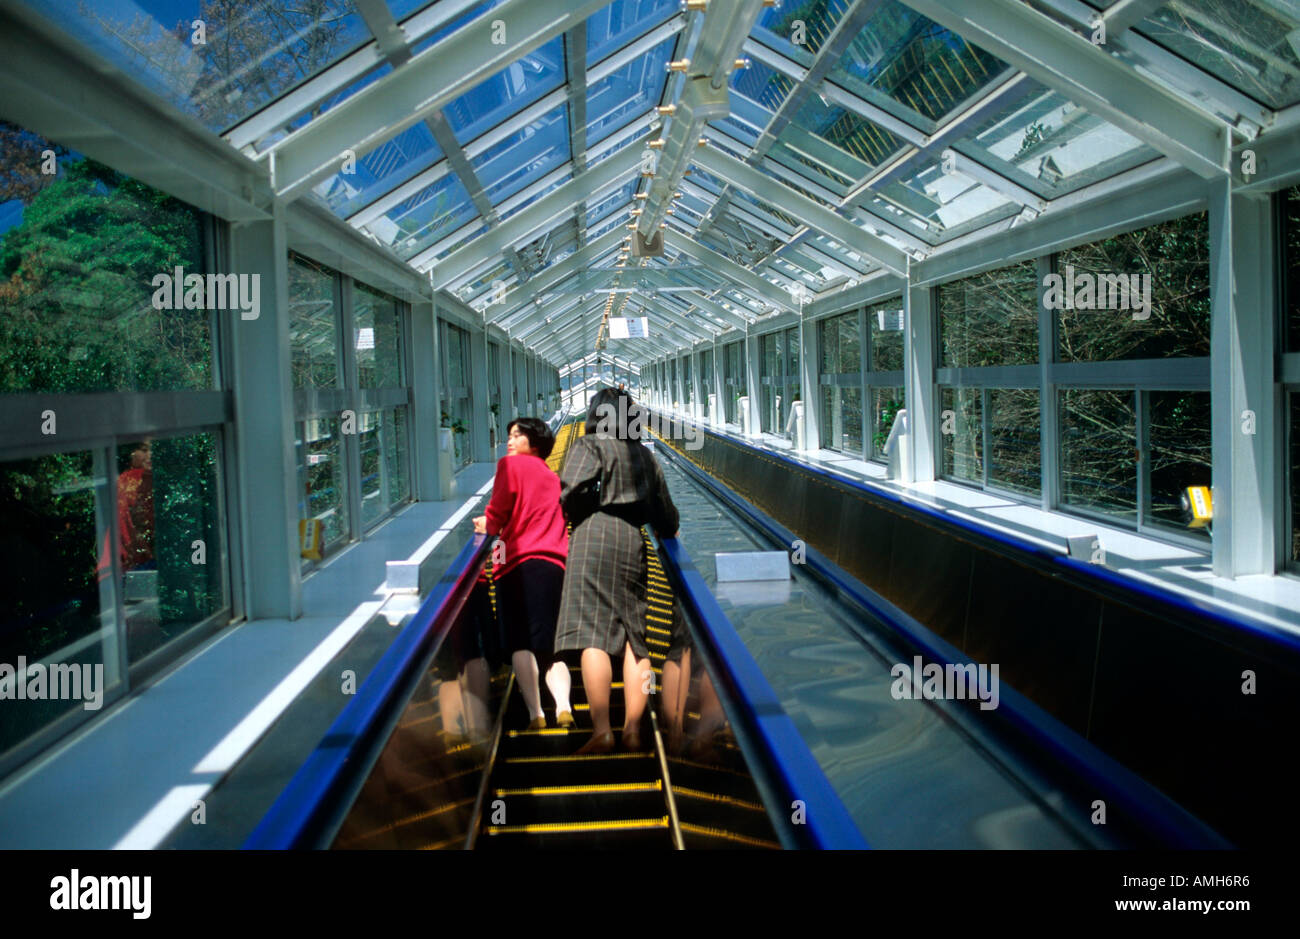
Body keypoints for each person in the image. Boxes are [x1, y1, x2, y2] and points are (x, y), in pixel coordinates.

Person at [556, 387, 679, 754]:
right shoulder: (644, 456)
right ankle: (632, 729)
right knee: (634, 639)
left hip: (592, 536)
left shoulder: (589, 445)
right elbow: (668, 517)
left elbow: (565, 490)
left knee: (594, 634)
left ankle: (601, 731)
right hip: (632, 541)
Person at [473, 417, 571, 730]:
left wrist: (486, 525)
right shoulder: (553, 476)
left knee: (520, 642)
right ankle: (565, 707)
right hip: (553, 563)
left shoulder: (509, 466)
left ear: (536, 442)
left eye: (518, 436)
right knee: (551, 645)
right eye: (509, 435)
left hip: (517, 562)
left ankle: (536, 715)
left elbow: (499, 508)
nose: (510, 441)